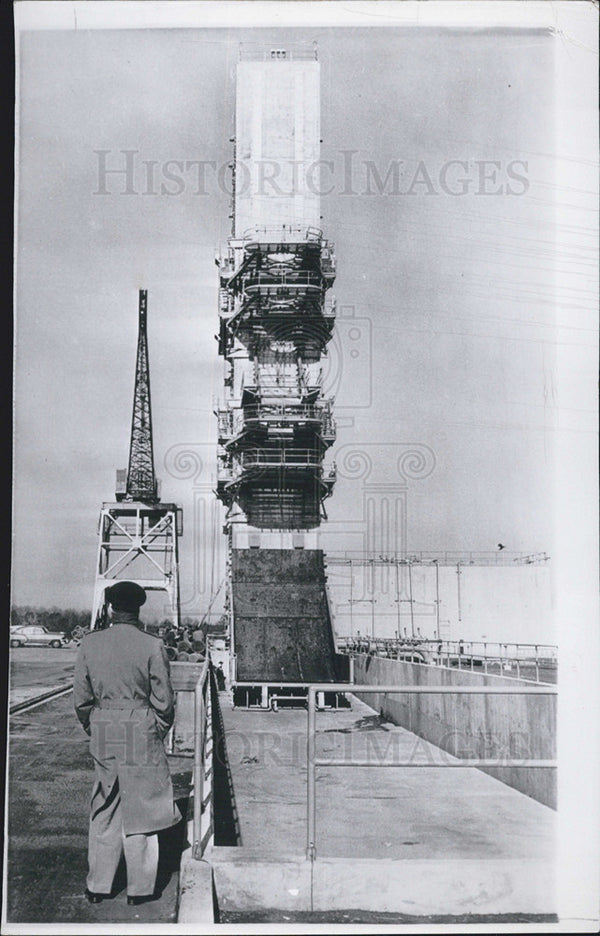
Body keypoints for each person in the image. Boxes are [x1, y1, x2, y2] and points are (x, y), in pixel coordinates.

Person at [74, 581, 181, 906]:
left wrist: (96, 725)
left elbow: (81, 699)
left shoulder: (90, 644)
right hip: (141, 725)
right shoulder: (152, 645)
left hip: (105, 723)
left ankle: (98, 886)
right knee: (142, 806)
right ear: (137, 609)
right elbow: (164, 700)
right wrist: (155, 729)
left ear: (109, 608)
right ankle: (140, 890)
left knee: (105, 802)